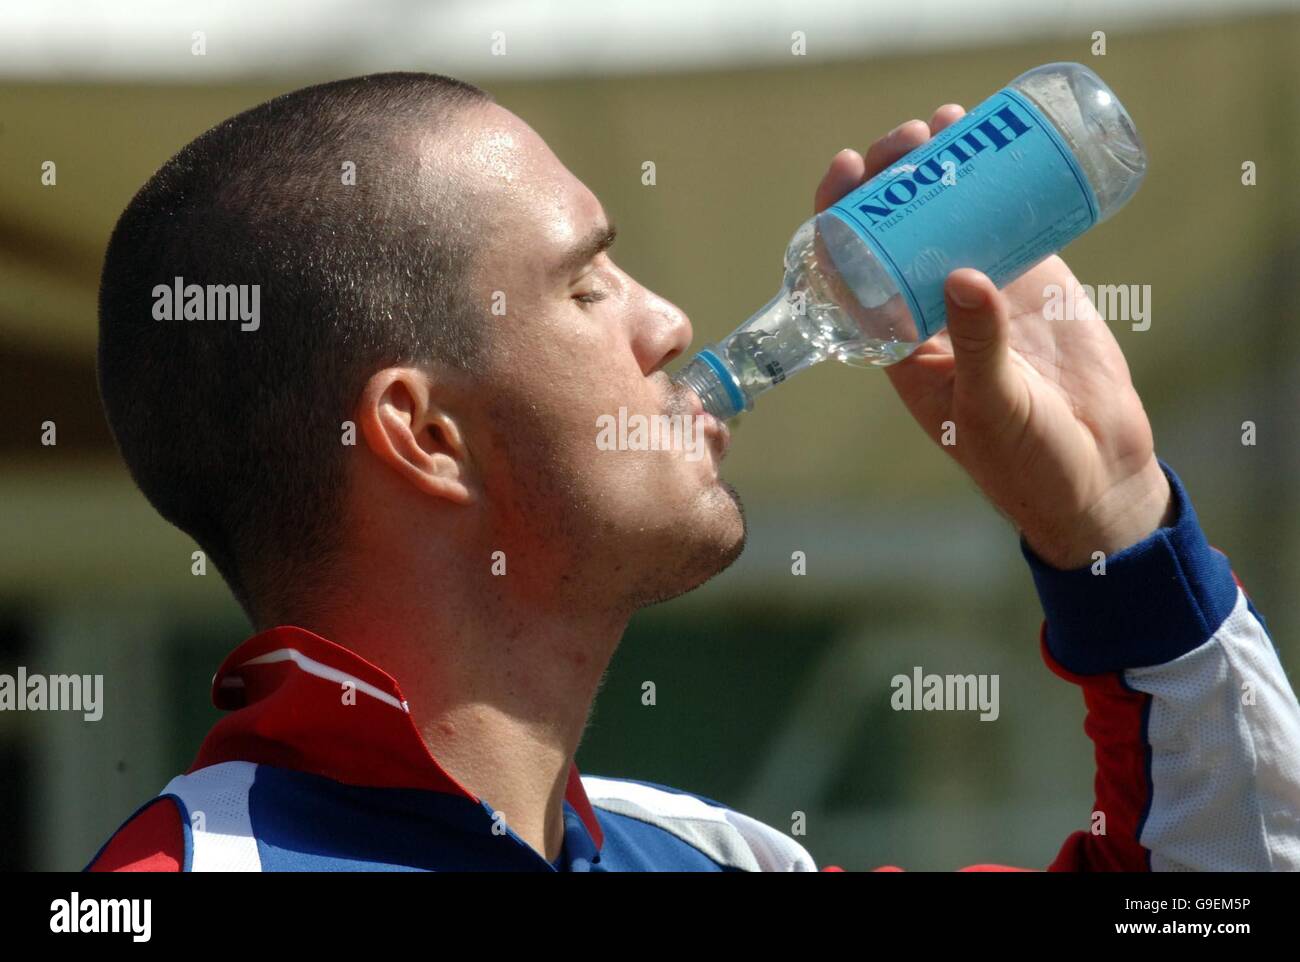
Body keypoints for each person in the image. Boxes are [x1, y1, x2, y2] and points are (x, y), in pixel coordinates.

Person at [87, 73, 1300, 872]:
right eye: (588, 284)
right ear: (423, 433)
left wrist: (1116, 525)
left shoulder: (714, 855)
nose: (669, 322)